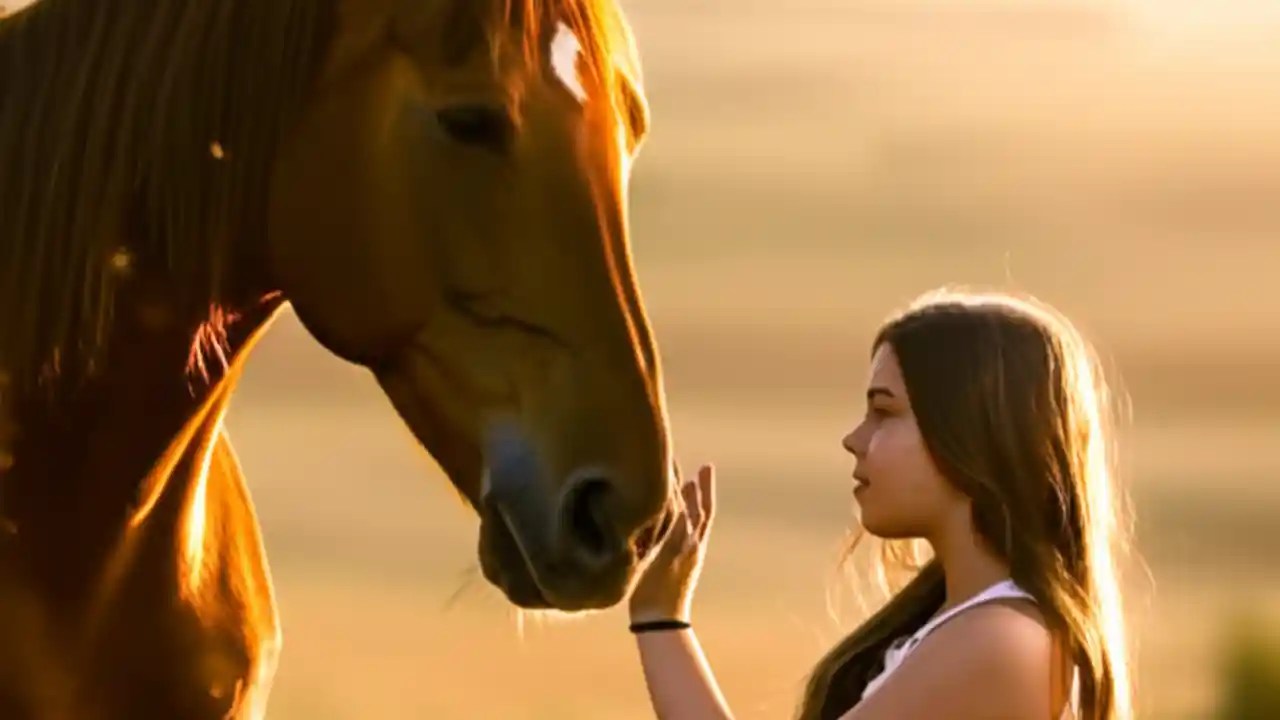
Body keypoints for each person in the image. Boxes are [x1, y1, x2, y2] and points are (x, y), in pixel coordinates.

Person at [625, 287, 1136, 720]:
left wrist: (662, 622)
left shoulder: (999, 640)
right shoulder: (972, 628)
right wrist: (660, 616)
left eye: (884, 412)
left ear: (970, 434)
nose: (854, 438)